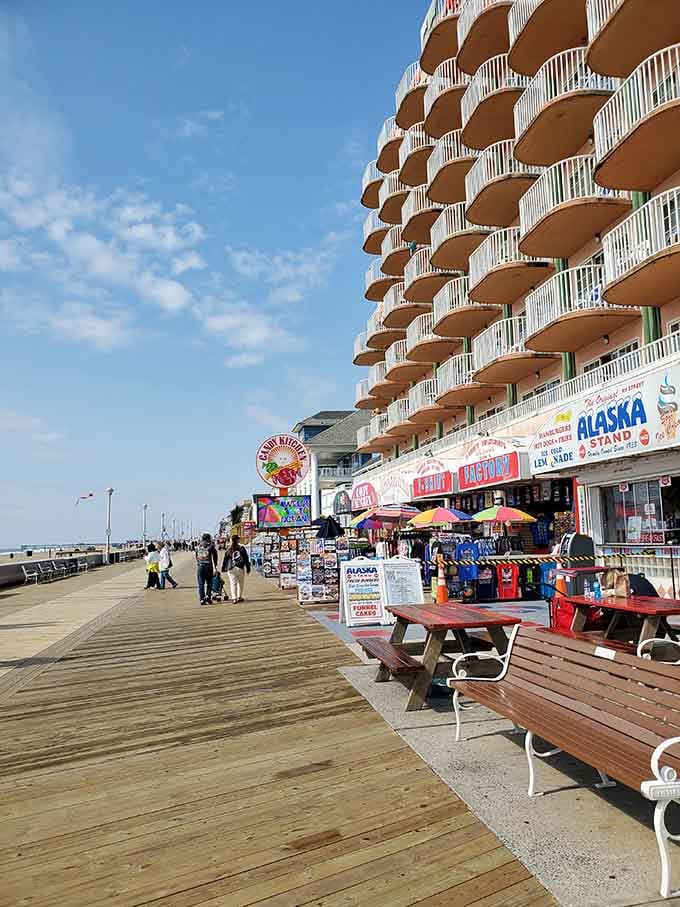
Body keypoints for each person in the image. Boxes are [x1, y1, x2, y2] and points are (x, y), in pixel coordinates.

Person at [221, 535, 251, 602]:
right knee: (240, 583)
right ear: (237, 540)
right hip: (239, 567)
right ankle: (239, 597)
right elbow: (246, 559)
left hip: (231, 568)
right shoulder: (241, 548)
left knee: (233, 583)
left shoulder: (229, 549)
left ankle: (234, 598)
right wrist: (248, 568)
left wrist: (223, 568)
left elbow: (225, 559)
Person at [196, 532, 218, 605]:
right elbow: (215, 556)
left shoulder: (198, 546)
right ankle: (208, 596)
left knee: (201, 584)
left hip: (200, 566)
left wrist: (199, 562)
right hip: (208, 566)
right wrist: (215, 565)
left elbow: (196, 556)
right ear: (208, 539)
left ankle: (202, 599)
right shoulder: (211, 546)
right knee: (209, 583)